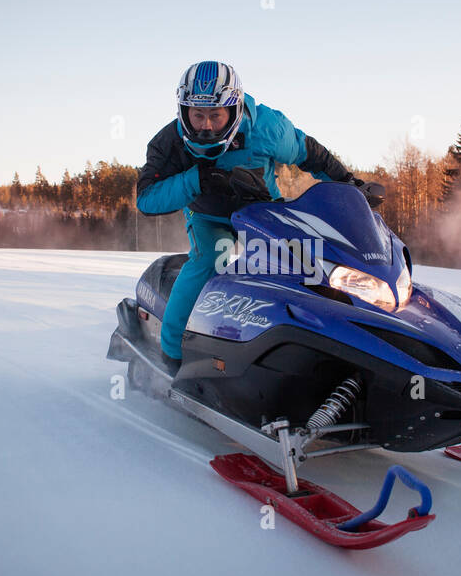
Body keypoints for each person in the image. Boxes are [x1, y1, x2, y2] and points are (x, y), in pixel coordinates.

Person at [135, 60, 377, 371]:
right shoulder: (169, 141)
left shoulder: (267, 128)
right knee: (213, 260)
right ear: (184, 110)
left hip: (265, 214)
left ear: (234, 109)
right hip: (210, 218)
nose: (205, 126)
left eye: (215, 115)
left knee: (309, 265)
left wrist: (349, 183)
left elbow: (310, 153)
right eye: (197, 115)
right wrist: (199, 179)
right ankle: (171, 354)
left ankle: (327, 345)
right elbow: (147, 198)